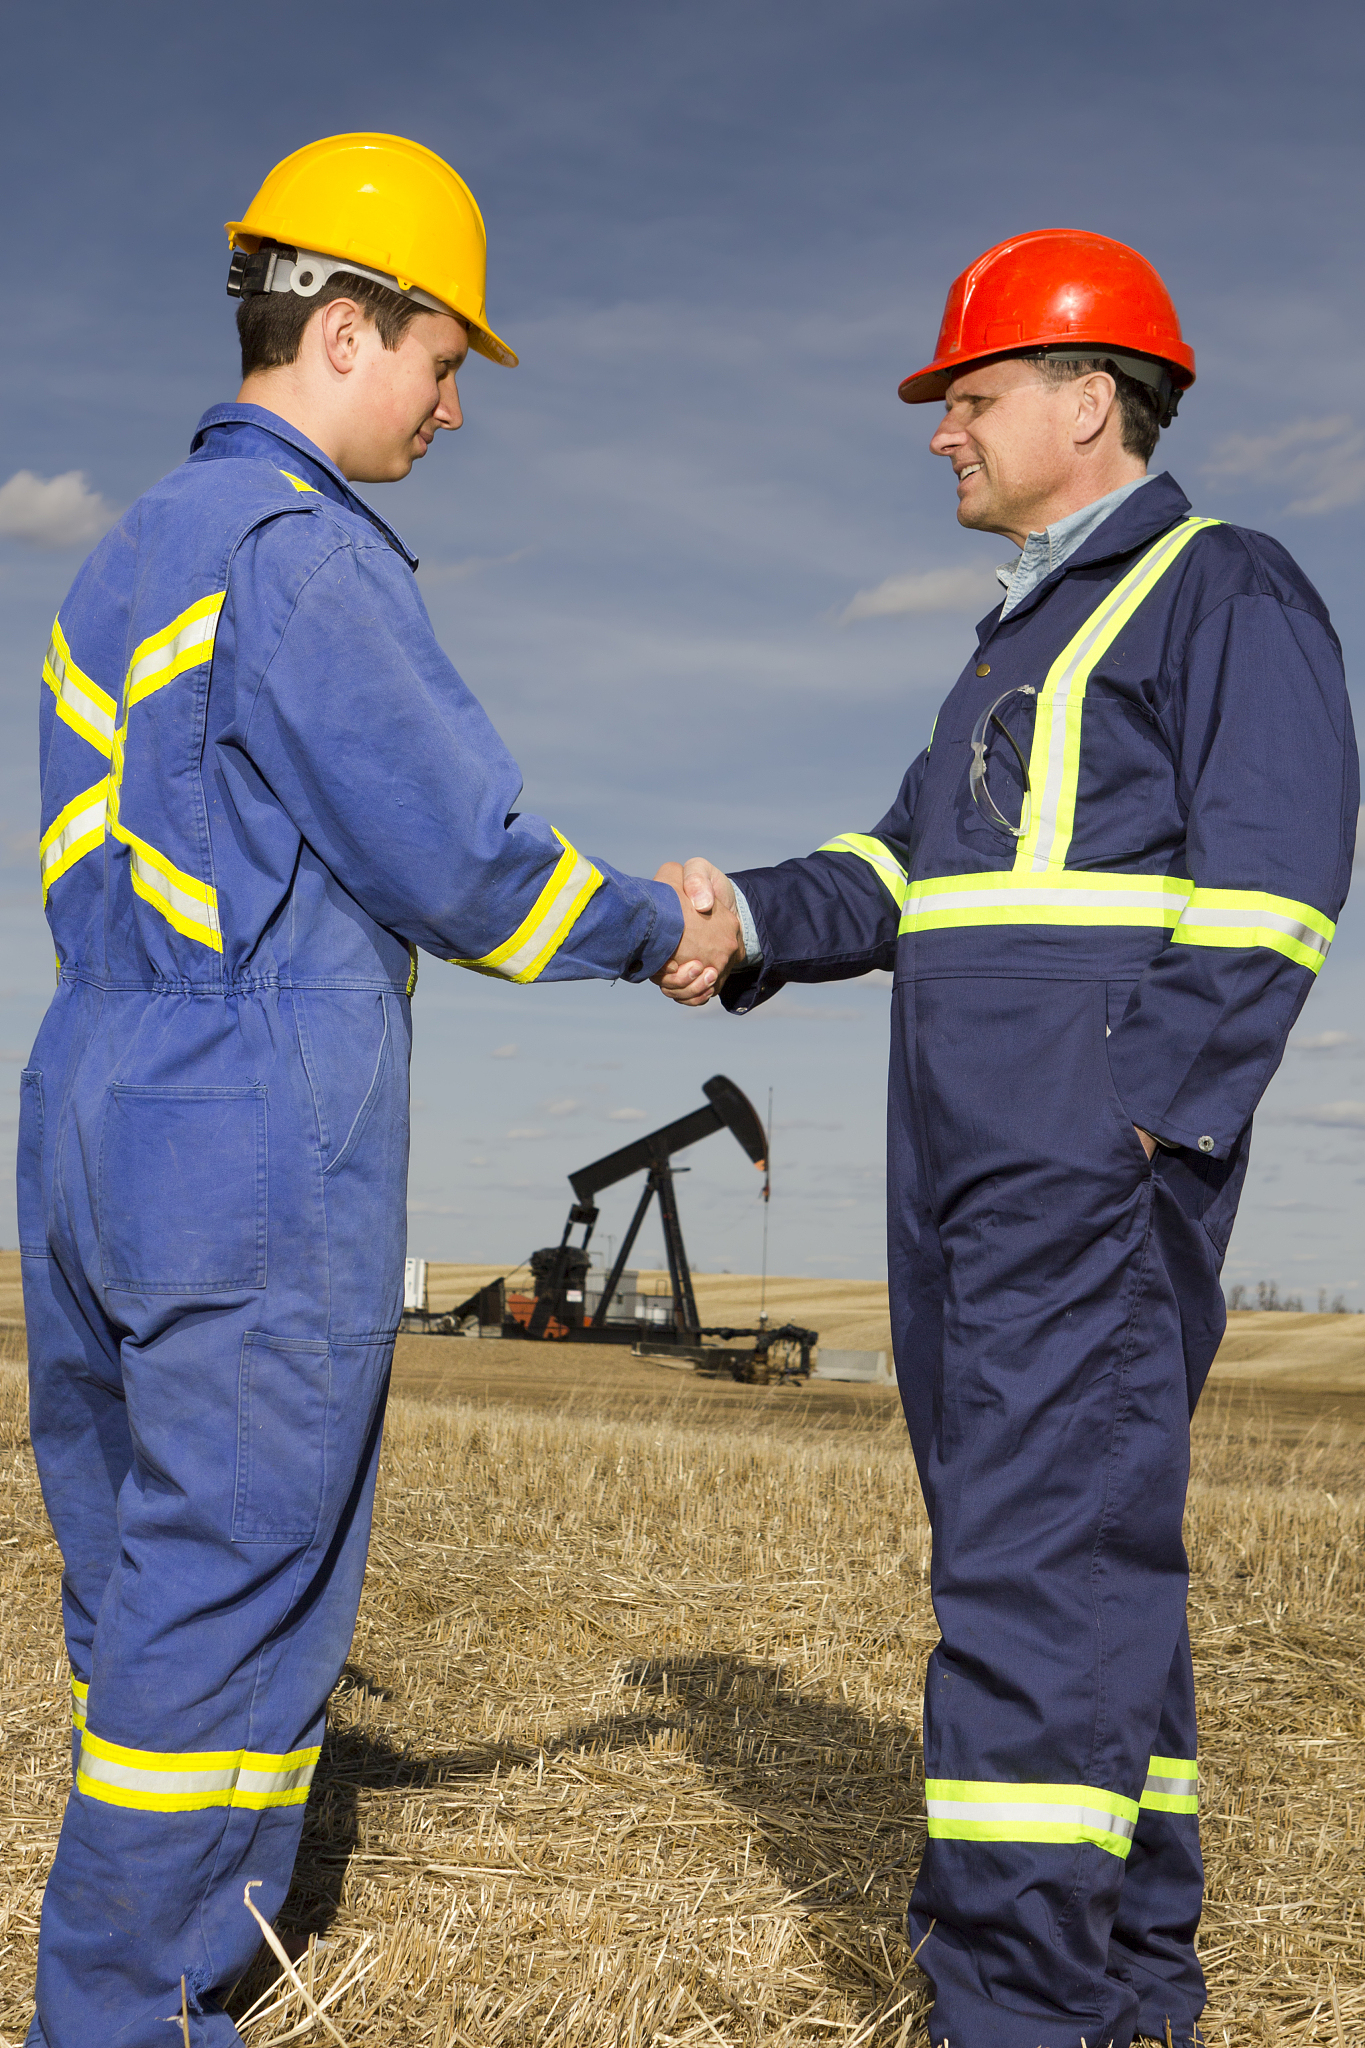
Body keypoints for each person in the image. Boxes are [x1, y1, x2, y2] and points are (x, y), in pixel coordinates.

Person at [20, 131, 736, 2045]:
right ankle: (132, 2015)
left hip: (89, 1093)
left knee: (141, 1586)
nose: (448, 406)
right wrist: (652, 925)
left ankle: (165, 1964)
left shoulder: (124, 550)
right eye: (440, 360)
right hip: (249, 1125)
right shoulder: (300, 554)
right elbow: (461, 860)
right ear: (345, 326)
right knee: (226, 1616)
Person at [654, 229, 1358, 2047]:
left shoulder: (1227, 589)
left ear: (1086, 398)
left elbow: (1276, 891)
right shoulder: (1015, 645)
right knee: (1068, 1567)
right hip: (966, 1174)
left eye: (967, 398)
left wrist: (1140, 1127)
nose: (941, 435)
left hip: (1078, 1175)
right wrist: (742, 920)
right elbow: (900, 870)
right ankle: (1124, 1989)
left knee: (1028, 1588)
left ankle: (1013, 2013)